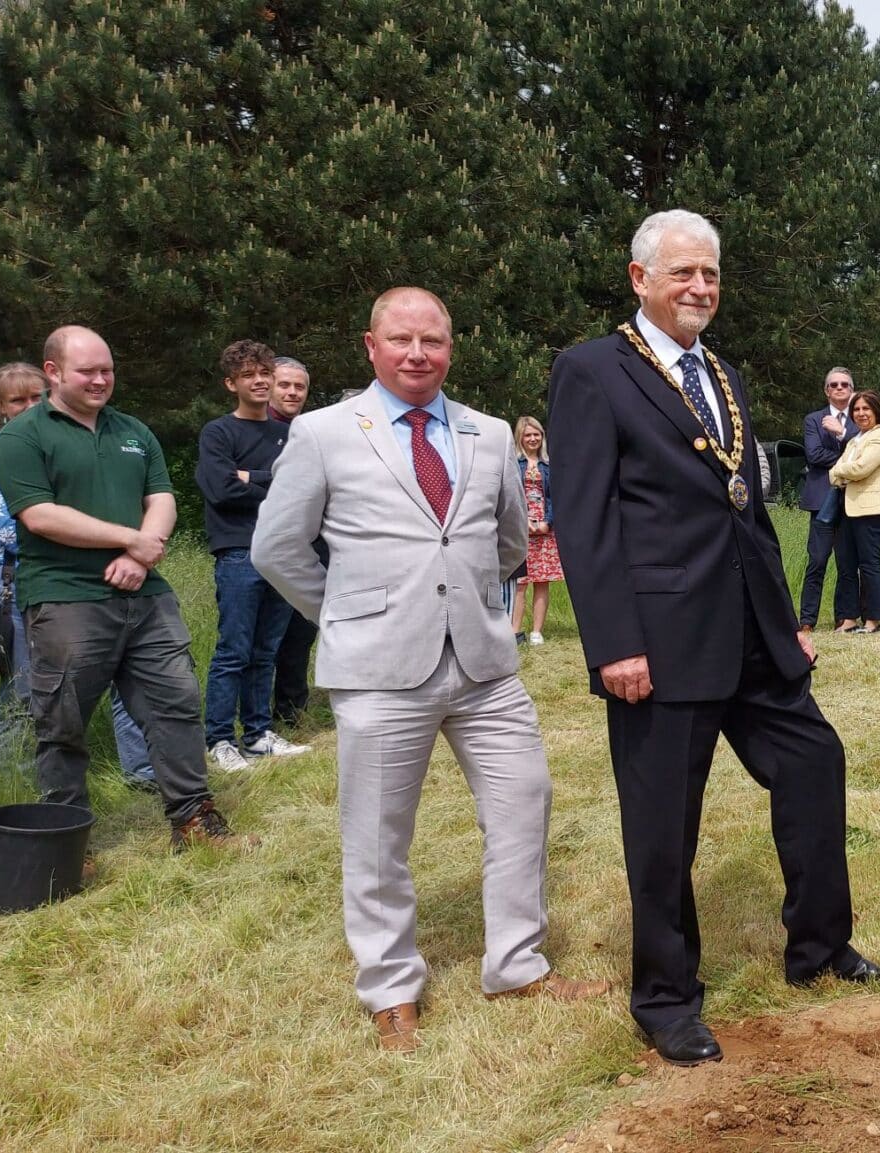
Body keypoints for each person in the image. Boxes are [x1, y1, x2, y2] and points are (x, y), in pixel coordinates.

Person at [547, 208, 880, 1068]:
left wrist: (785, 621)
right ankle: (666, 997)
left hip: (752, 631)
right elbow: (584, 518)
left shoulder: (724, 372)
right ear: (640, 279)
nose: (701, 288)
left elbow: (745, 511)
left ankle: (820, 947)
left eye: (710, 274)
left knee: (815, 763)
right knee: (664, 821)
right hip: (660, 641)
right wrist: (612, 643)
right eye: (683, 274)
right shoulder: (592, 371)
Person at [254, 287, 608, 1054]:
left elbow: (510, 542)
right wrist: (350, 611)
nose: (418, 353)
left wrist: (475, 601)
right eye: (402, 339)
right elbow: (276, 549)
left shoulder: (486, 433)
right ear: (370, 345)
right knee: (378, 834)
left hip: (484, 665)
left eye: (434, 340)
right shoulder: (320, 433)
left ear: (452, 347)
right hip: (379, 670)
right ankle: (390, 988)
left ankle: (516, 965)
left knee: (525, 803)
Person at [0, 326, 248, 849]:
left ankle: (194, 820)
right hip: (66, 599)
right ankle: (64, 842)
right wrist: (133, 540)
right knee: (62, 724)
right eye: (88, 371)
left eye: (108, 370)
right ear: (53, 372)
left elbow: (162, 498)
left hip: (146, 598)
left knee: (175, 704)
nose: (102, 380)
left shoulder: (133, 430)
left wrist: (141, 550)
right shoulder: (22, 438)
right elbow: (40, 516)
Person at [197, 340, 310, 771]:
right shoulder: (219, 433)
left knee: (267, 650)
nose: (260, 380)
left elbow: (304, 490)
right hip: (239, 553)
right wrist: (274, 483)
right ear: (231, 383)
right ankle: (220, 738)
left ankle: (259, 732)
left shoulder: (290, 433)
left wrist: (253, 477)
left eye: (264, 372)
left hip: (282, 554)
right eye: (249, 375)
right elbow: (222, 490)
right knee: (234, 650)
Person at [267, 356, 322, 728]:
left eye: (299, 386)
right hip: (269, 551)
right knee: (261, 641)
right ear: (267, 386)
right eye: (284, 384)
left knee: (302, 634)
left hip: (316, 548)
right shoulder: (254, 428)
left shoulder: (315, 431)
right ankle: (253, 718)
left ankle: (291, 711)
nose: (292, 392)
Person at [827, 389, 880, 633]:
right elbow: (833, 474)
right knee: (845, 566)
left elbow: (860, 468)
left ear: (876, 411)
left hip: (870, 510)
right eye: (856, 409)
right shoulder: (854, 440)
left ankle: (872, 620)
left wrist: (841, 471)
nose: (861, 413)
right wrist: (842, 471)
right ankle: (848, 618)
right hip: (847, 509)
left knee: (869, 565)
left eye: (866, 408)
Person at [796, 368, 858, 631]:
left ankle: (844, 618)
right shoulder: (814, 419)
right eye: (834, 385)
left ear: (852, 389)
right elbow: (814, 455)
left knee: (847, 563)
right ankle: (808, 620)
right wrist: (850, 458)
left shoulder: (860, 420)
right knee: (818, 560)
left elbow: (869, 451)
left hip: (853, 499)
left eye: (845, 384)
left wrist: (842, 432)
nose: (840, 388)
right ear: (826, 391)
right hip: (822, 498)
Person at [509, 415, 562, 645]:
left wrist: (547, 522)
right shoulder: (512, 463)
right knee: (519, 583)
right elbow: (510, 496)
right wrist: (524, 522)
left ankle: (537, 632)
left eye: (536, 434)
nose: (533, 439)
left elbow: (555, 497)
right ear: (520, 437)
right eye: (528, 434)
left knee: (542, 581)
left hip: (545, 530)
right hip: (520, 530)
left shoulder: (549, 465)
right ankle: (514, 631)